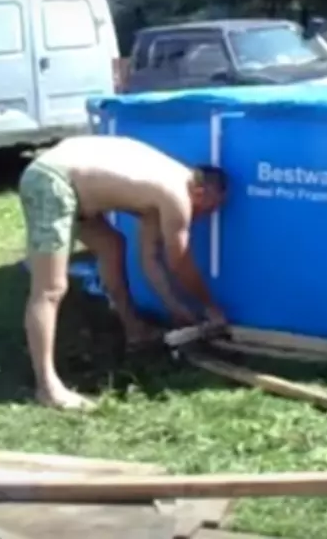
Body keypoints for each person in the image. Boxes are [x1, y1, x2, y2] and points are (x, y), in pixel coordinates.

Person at [17, 135, 228, 410]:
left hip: (70, 183)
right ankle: (47, 387)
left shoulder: (164, 190)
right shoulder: (176, 194)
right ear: (200, 192)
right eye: (208, 209)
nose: (204, 217)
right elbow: (180, 261)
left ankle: (134, 331)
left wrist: (176, 308)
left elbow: (151, 260)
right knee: (50, 289)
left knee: (112, 246)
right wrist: (210, 306)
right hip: (52, 182)